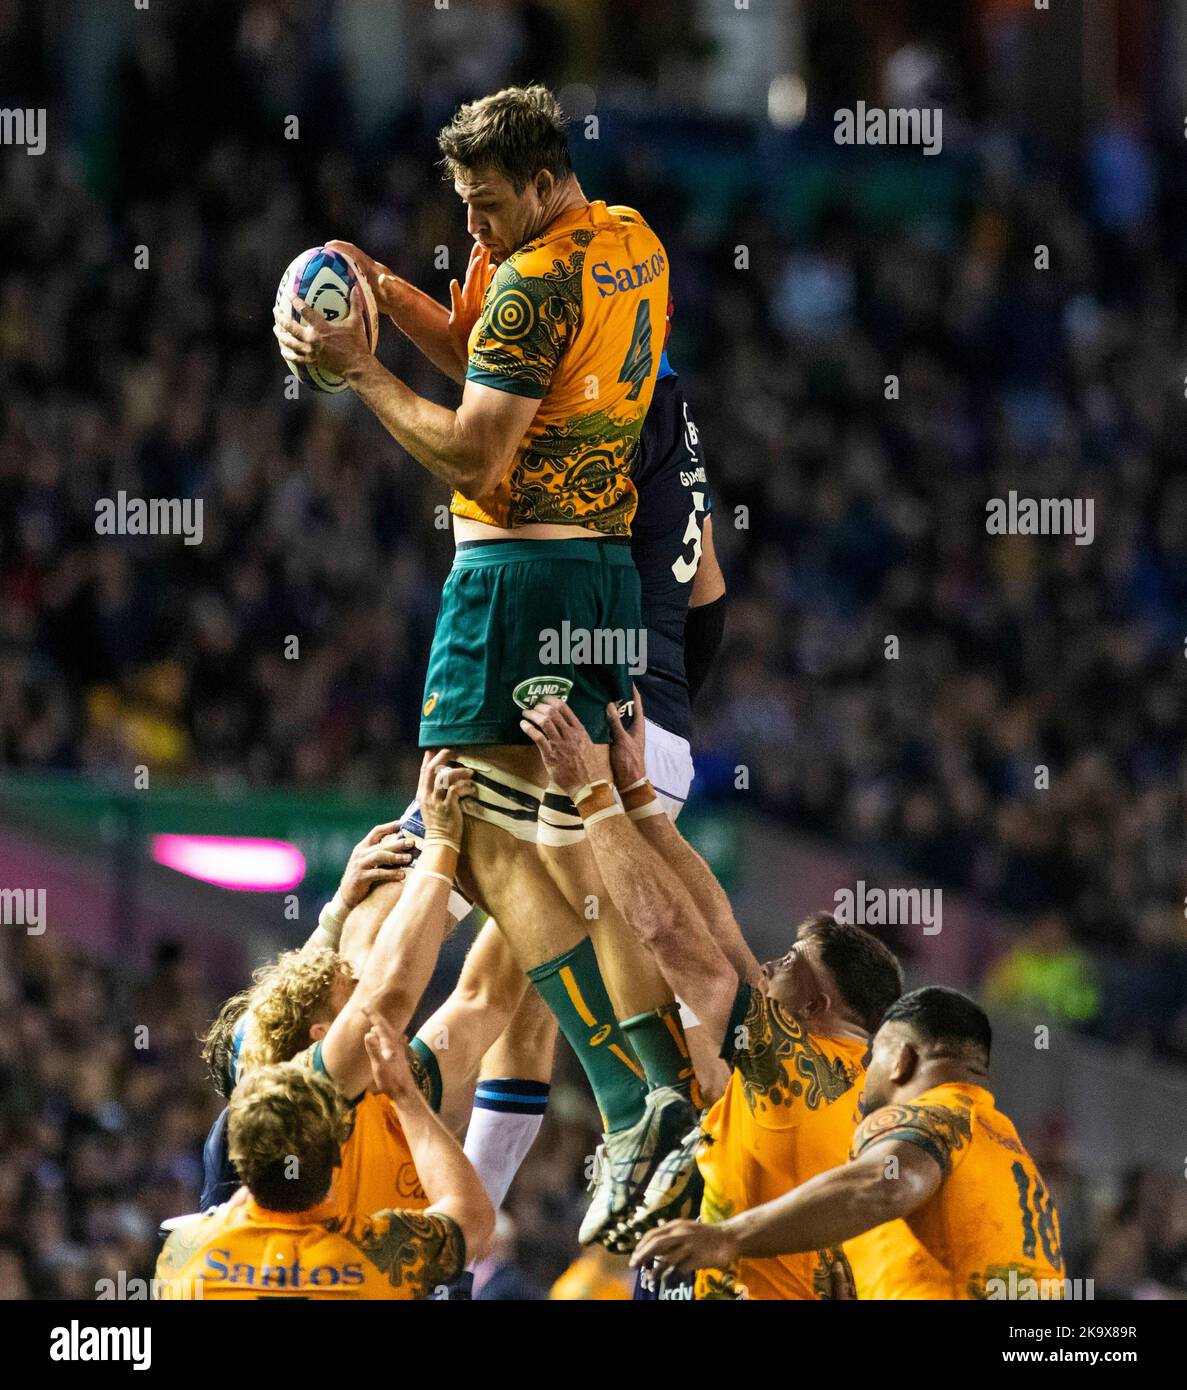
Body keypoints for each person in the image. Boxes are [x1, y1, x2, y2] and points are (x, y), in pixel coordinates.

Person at [520, 695, 903, 1300]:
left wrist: (595, 794)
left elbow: (670, 932)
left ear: (816, 1008)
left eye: (793, 963)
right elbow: (722, 930)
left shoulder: (792, 1064)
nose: (773, 962)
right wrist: (642, 799)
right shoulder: (850, 1080)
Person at [633, 987, 1068, 1301]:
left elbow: (886, 1184)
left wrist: (728, 1236)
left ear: (902, 1059)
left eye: (873, 1055)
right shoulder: (1006, 1152)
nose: (865, 1073)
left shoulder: (933, 1114)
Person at [156, 1011, 493, 1299]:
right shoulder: (377, 1253)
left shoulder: (185, 1250)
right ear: (336, 1161)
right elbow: (473, 1217)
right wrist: (405, 1094)